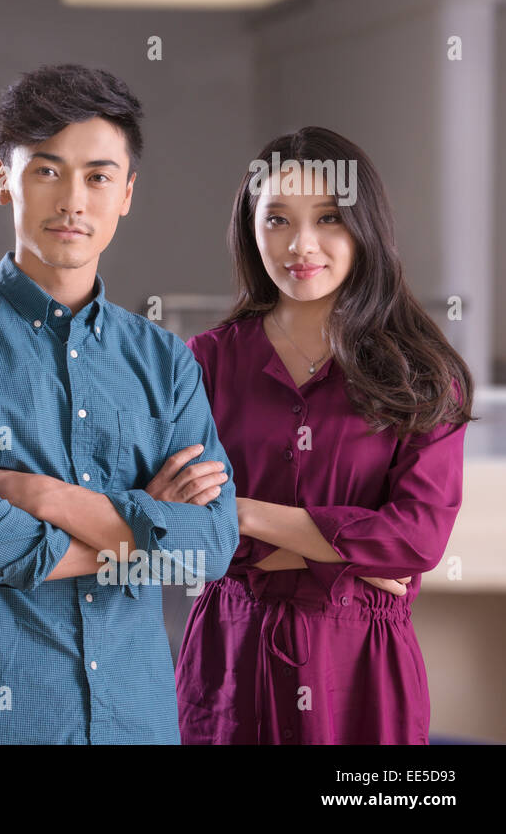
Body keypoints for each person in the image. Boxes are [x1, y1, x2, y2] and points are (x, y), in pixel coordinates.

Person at [0, 63, 239, 744]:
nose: (74, 200)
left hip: (137, 723)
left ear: (127, 192)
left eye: (98, 175)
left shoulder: (166, 361)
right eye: (47, 170)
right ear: (5, 178)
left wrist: (42, 496)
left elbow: (210, 548)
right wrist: (145, 525)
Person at [174, 126, 473, 744]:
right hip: (230, 659)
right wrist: (352, 556)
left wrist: (247, 514)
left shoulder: (422, 373)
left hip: (363, 668)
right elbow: (184, 530)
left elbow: (415, 541)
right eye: (278, 219)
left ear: (365, 227)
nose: (300, 245)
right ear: (249, 229)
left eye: (329, 218)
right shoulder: (202, 364)